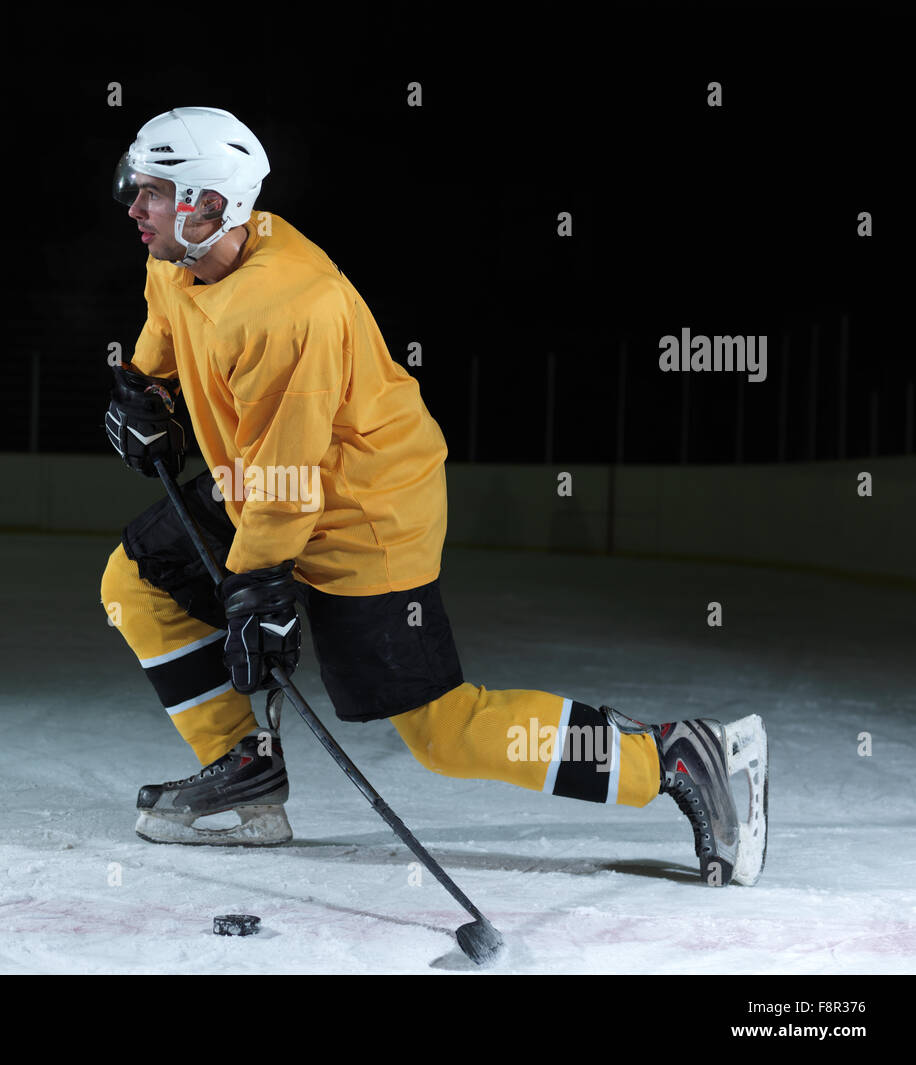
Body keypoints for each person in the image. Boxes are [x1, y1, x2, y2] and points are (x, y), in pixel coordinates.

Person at [100, 107, 767, 886]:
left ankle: (677, 757)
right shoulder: (182, 258)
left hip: (364, 511)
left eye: (151, 193)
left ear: (208, 204)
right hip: (269, 488)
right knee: (136, 582)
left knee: (444, 732)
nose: (133, 208)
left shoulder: (288, 308)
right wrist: (145, 392)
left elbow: (294, 480)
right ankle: (243, 768)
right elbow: (170, 330)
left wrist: (257, 586)